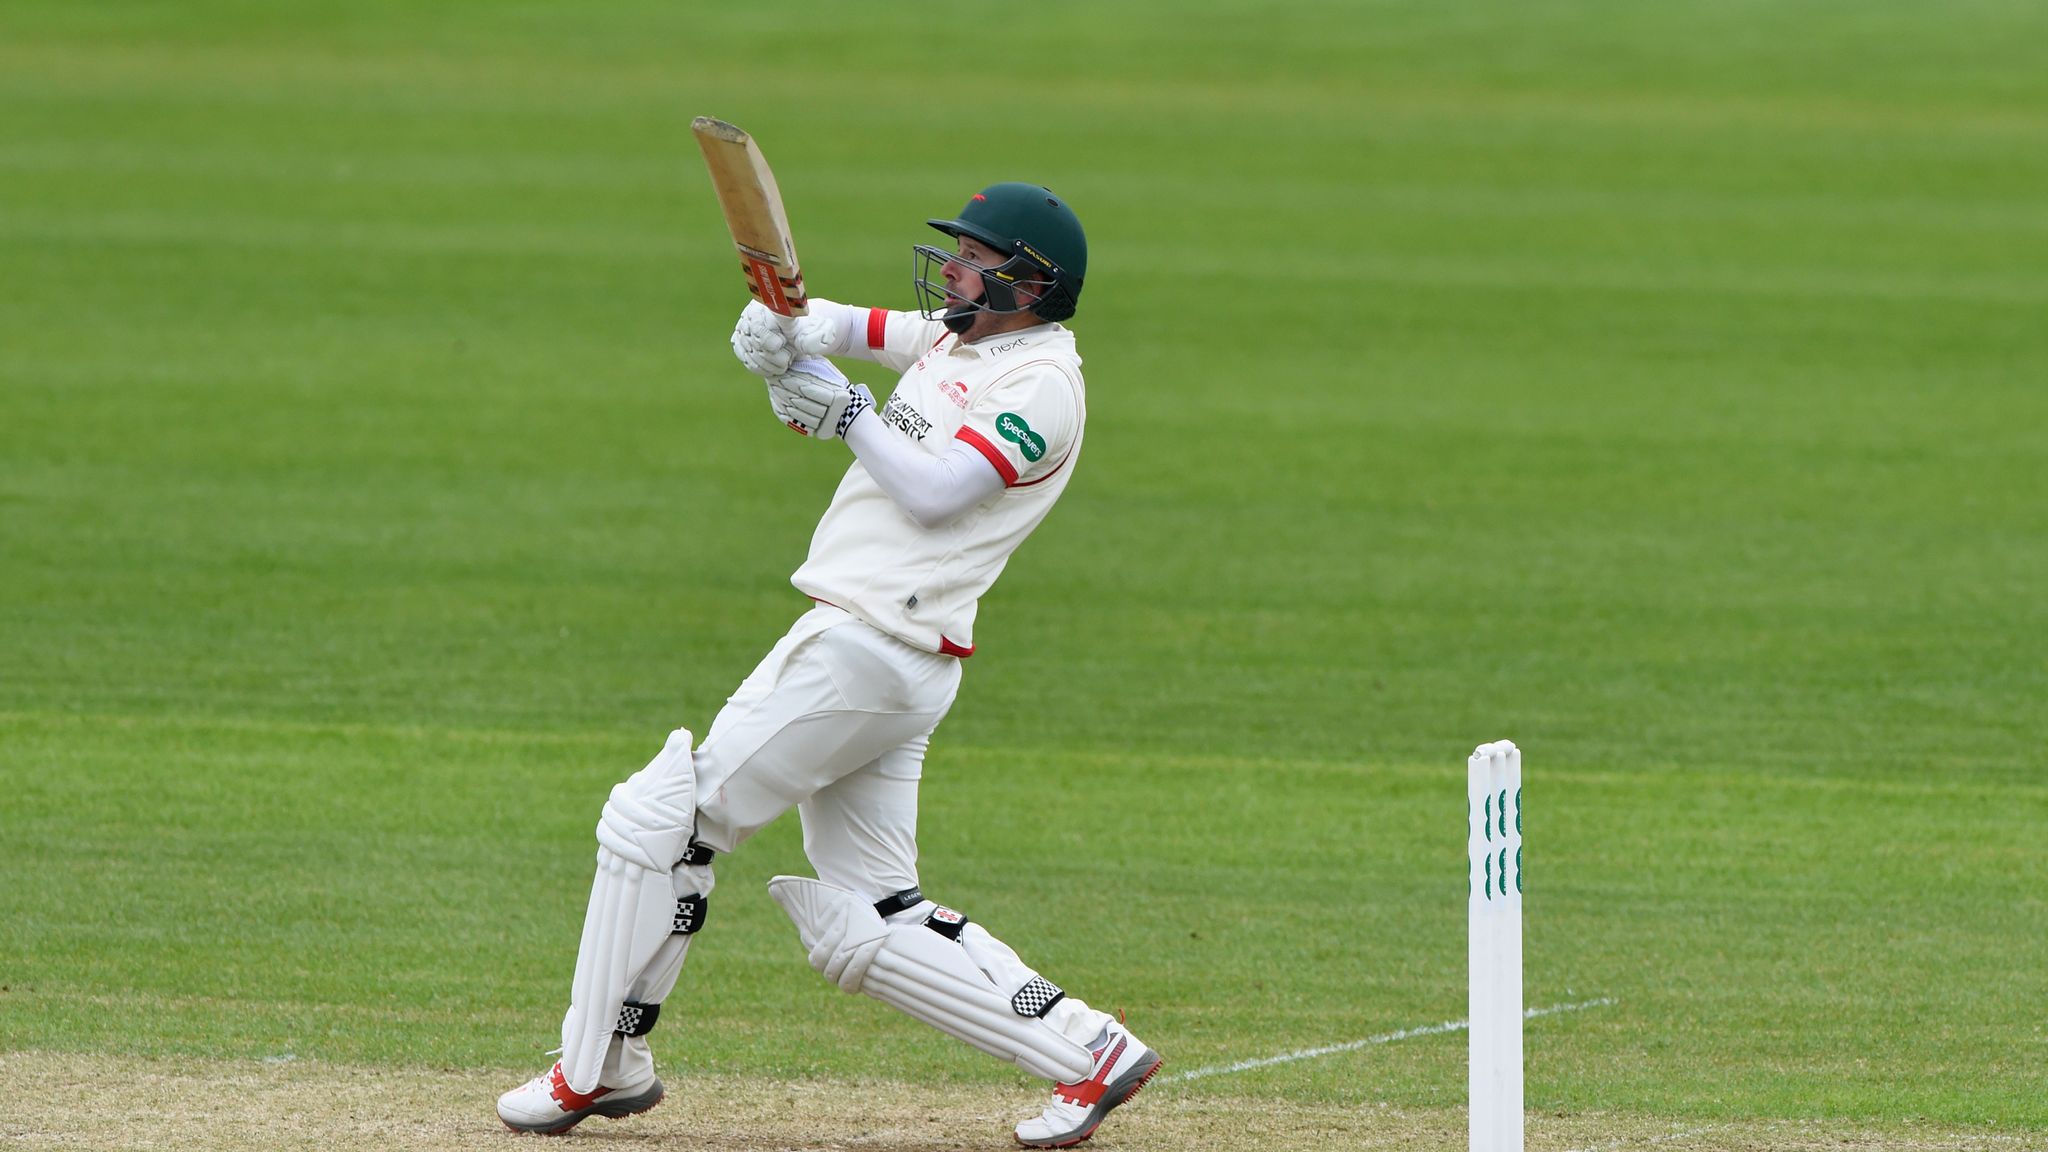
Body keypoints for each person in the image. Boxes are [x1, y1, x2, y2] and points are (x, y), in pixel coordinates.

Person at [496, 182, 1161, 1147]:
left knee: (663, 820)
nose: (953, 270)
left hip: (866, 647)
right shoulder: (958, 338)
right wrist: (788, 332)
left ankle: (595, 1065)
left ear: (1031, 284)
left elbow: (936, 494)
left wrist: (849, 415)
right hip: (894, 658)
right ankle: (1089, 1049)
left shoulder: (1040, 385)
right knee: (871, 912)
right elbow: (853, 327)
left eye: (975, 260)